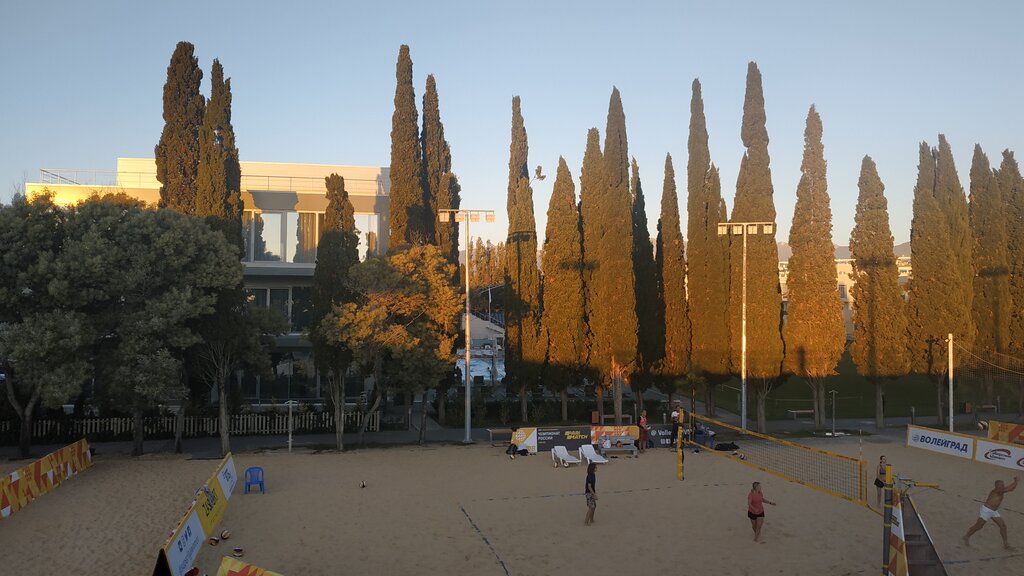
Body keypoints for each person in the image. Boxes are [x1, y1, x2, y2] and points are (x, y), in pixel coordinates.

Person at [963, 476, 1019, 550]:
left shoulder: (1002, 490)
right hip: (986, 510)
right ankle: (966, 537)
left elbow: (1011, 489)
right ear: (996, 486)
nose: (1002, 486)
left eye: (1002, 485)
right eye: (1000, 485)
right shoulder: (997, 491)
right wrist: (1016, 481)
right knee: (978, 526)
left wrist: (1015, 483)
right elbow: (1008, 489)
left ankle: (1006, 545)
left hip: (993, 511)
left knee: (1003, 526)